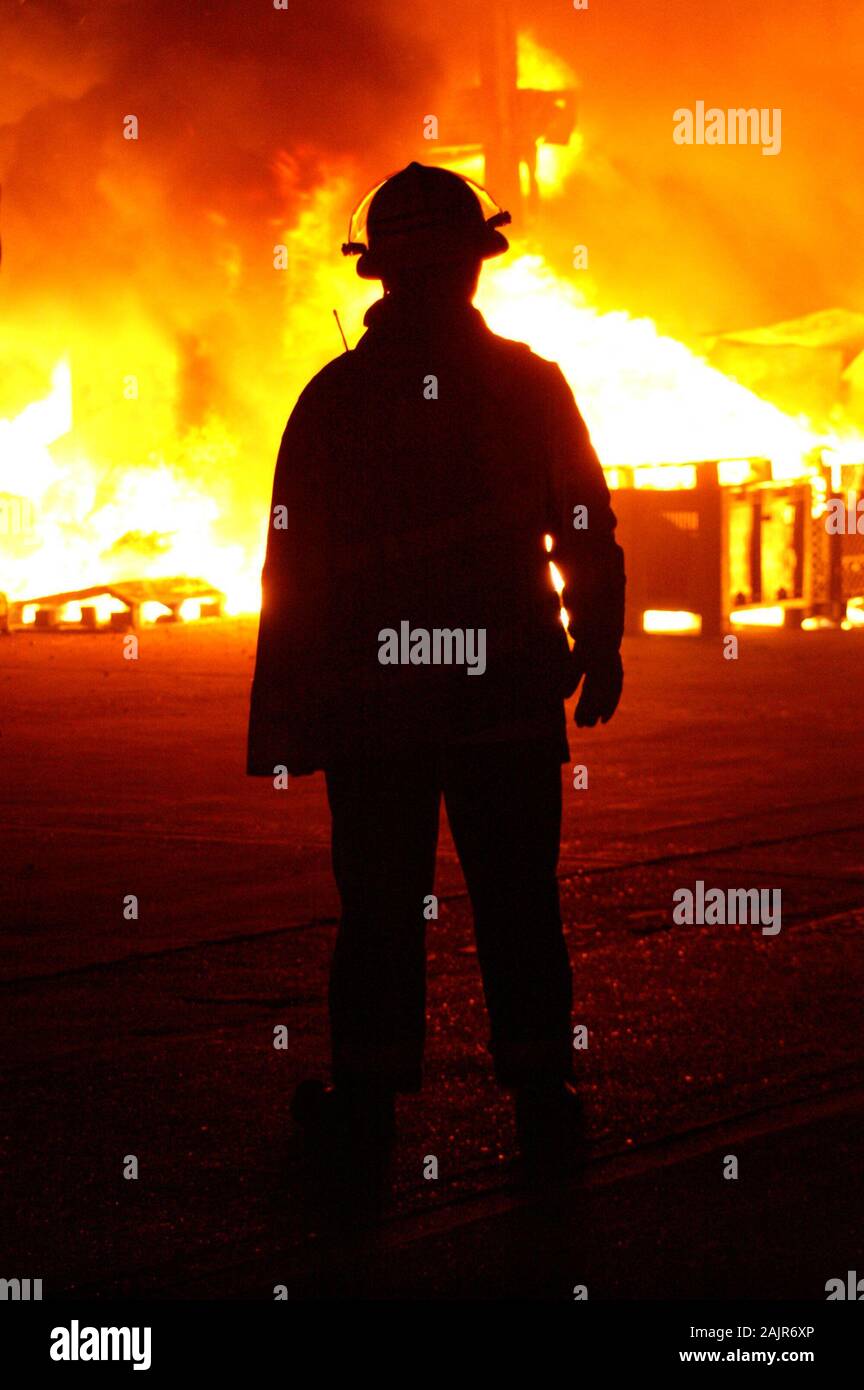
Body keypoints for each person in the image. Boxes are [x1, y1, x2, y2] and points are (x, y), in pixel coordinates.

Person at [247, 162, 625, 1173]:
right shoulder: (529, 385)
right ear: (472, 269)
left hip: (377, 714)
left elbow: (293, 568)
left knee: (379, 906)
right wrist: (601, 641)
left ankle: (367, 1107)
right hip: (504, 700)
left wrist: (290, 715)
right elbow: (583, 520)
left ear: (380, 274)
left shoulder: (332, 401)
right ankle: (542, 1094)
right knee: (517, 897)